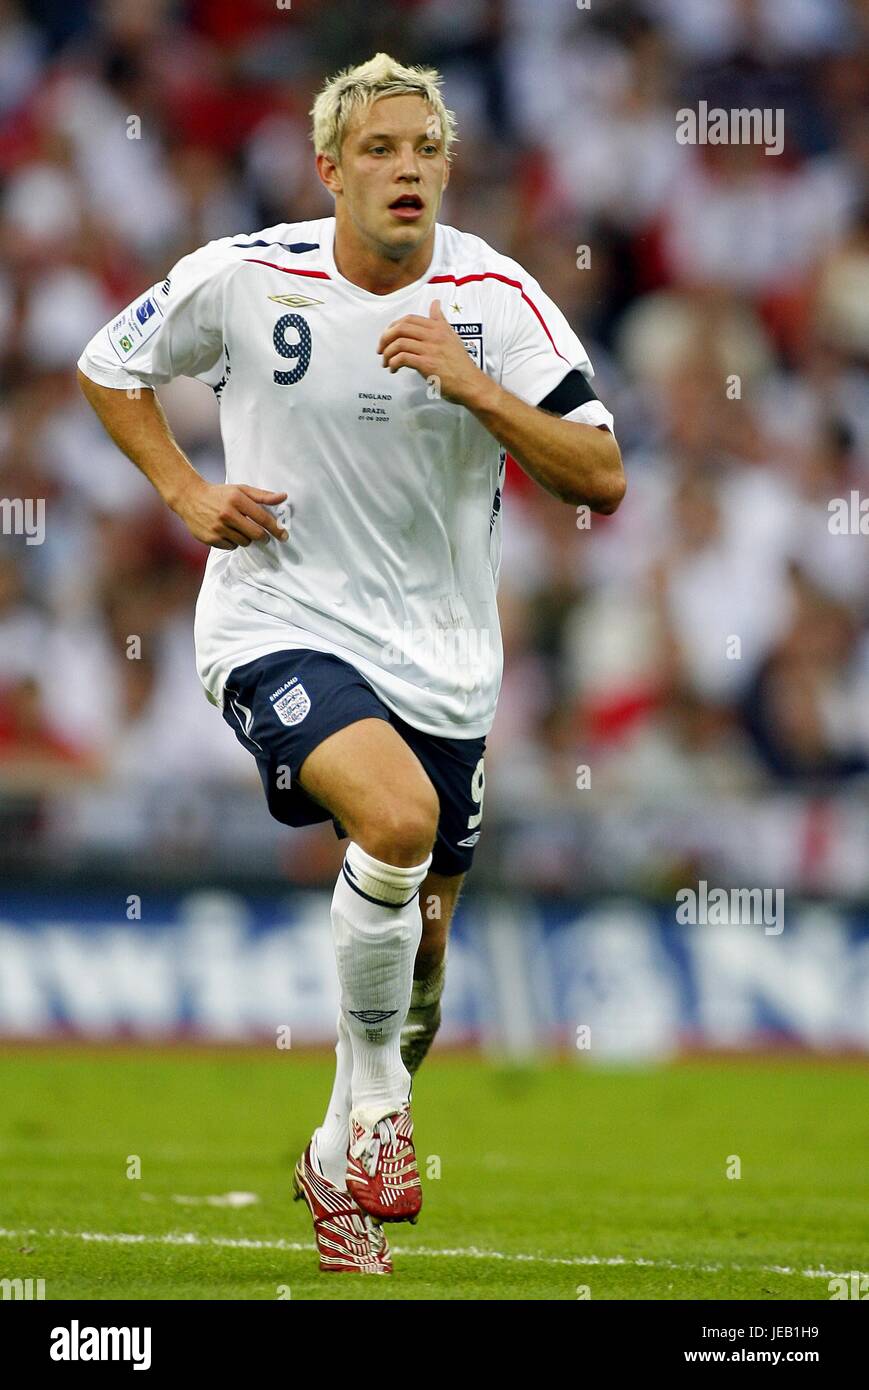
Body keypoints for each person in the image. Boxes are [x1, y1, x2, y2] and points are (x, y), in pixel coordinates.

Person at [76, 52, 624, 1276]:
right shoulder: (245, 274)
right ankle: (377, 1120)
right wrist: (184, 490)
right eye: (378, 150)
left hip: (446, 668)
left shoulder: (496, 297)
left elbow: (600, 475)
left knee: (421, 964)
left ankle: (337, 1147)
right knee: (393, 816)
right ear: (329, 170)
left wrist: (474, 386)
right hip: (274, 617)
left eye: (424, 149)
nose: (405, 169)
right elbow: (109, 363)